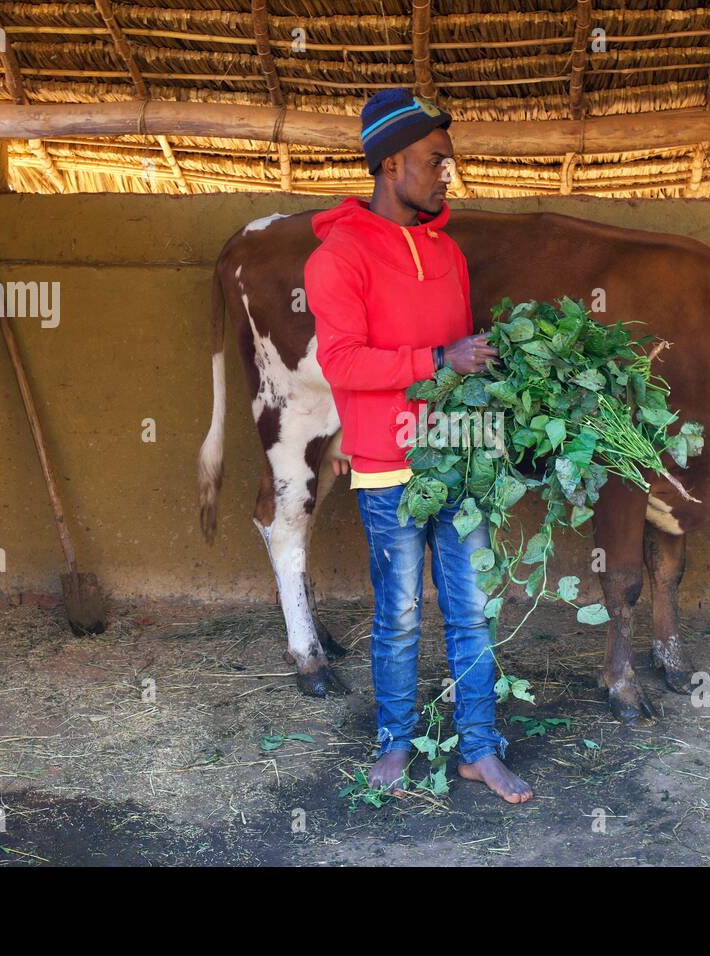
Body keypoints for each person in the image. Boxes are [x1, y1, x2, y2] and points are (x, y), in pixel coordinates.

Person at [303, 89, 533, 804]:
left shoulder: (449, 252)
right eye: (435, 161)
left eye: (447, 163)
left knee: (472, 612)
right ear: (391, 161)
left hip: (462, 461)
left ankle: (479, 750)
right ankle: (396, 744)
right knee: (398, 618)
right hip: (388, 470)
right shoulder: (337, 258)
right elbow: (342, 362)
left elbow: (460, 365)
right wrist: (438, 358)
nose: (445, 174)